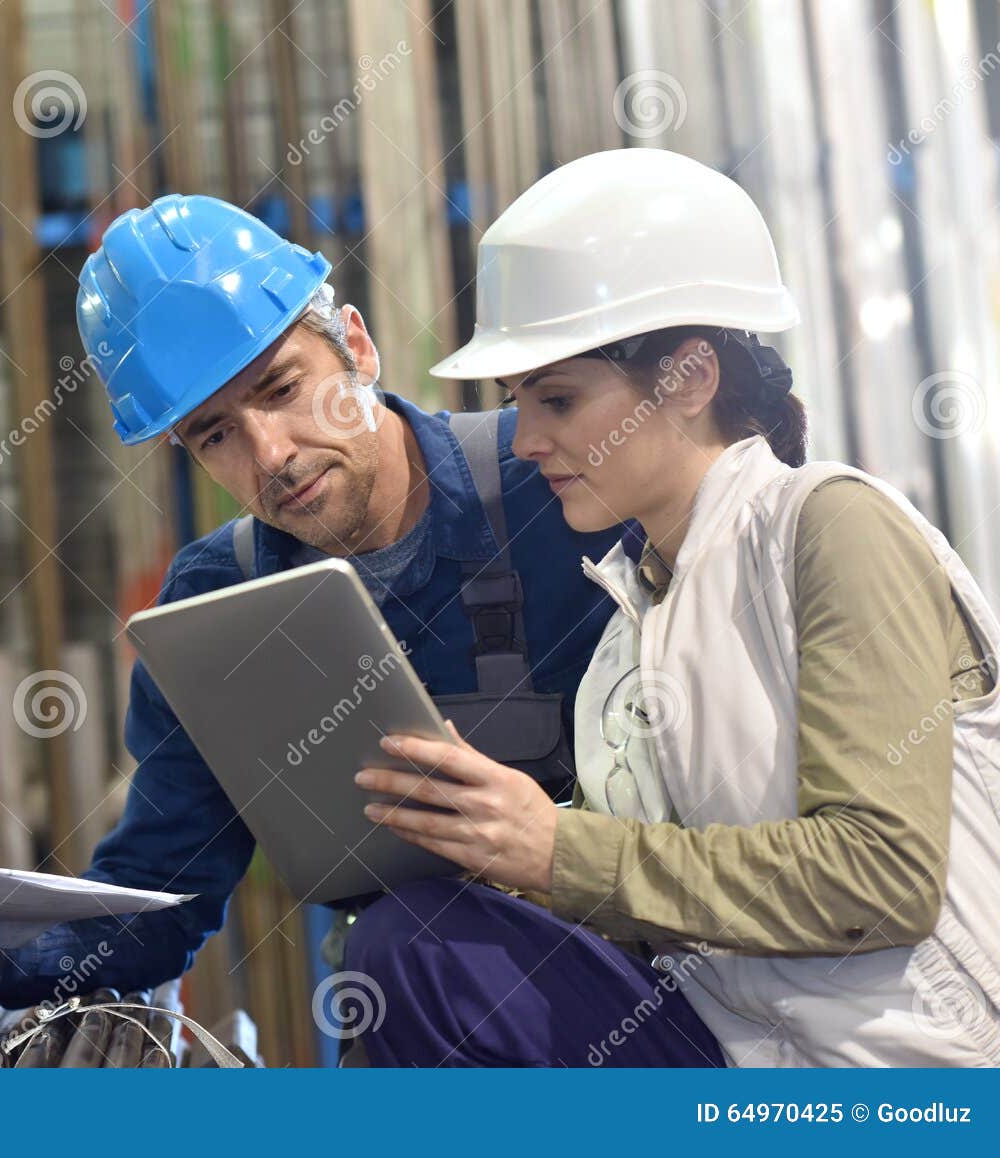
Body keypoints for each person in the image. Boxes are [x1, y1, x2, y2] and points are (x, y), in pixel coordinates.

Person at [0, 194, 623, 1010]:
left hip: (637, 984)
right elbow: (163, 894)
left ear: (356, 346)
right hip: (418, 1014)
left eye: (283, 387)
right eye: (214, 434)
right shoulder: (218, 601)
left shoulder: (555, 478)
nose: (272, 454)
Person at [345, 147, 1000, 1066]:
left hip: (915, 1081)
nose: (527, 440)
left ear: (690, 378)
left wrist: (563, 852)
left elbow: (880, 876)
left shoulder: (829, 528)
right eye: (517, 403)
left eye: (559, 399)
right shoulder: (626, 634)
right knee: (415, 943)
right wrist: (501, 854)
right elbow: (674, 911)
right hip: (742, 1070)